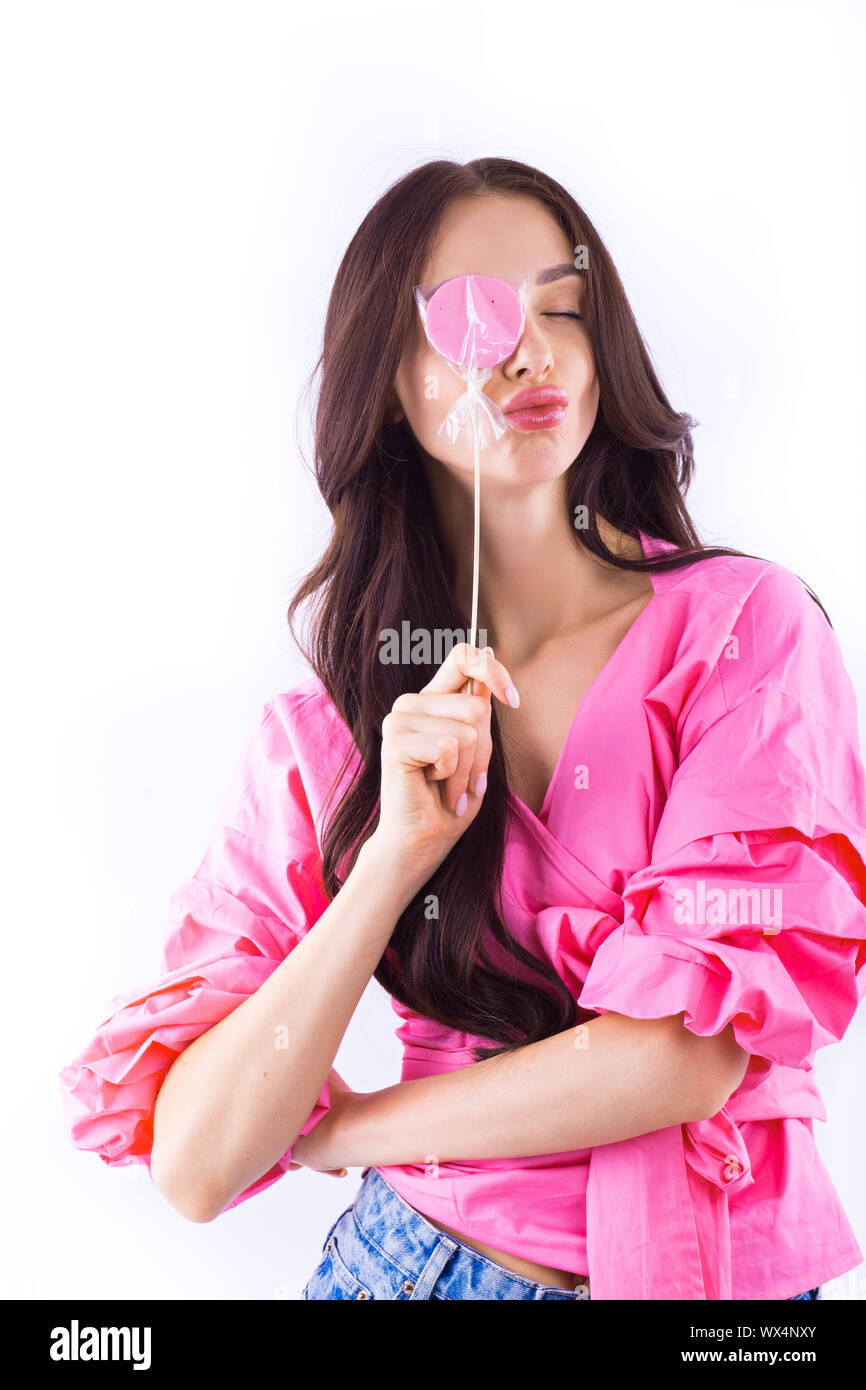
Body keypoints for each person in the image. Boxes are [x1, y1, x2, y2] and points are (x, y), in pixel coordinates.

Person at [59, 157, 866, 1301]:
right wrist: (389, 865)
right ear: (389, 382)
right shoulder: (330, 735)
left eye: (562, 310)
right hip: (408, 1271)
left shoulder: (741, 636)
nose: (530, 351)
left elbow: (684, 1051)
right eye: (474, 318)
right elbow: (195, 1161)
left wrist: (352, 1131)